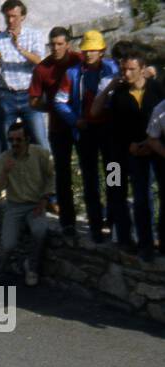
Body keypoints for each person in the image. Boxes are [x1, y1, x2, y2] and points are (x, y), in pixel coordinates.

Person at [93, 53, 163, 259]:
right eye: (123, 69)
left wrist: (148, 144)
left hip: (154, 148)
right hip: (119, 155)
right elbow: (100, 115)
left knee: (149, 196)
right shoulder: (118, 94)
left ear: (143, 69)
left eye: (131, 69)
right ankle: (131, 239)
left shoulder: (157, 89)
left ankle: (153, 241)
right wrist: (110, 87)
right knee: (120, 193)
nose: (126, 73)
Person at [54, 30, 119, 243]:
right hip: (86, 131)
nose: (89, 53)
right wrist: (75, 120)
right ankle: (95, 224)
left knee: (113, 173)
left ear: (101, 51)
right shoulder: (73, 73)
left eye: (93, 49)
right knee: (90, 178)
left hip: (109, 130)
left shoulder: (112, 69)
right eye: (86, 49)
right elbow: (59, 101)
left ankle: (114, 217)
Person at [0, 122, 53, 287]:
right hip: (14, 205)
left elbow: (52, 177)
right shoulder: (4, 158)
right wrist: (5, 172)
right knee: (8, 243)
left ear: (27, 140)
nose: (15, 143)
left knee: (39, 231)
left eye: (18, 140)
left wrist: (44, 200)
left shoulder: (40, 154)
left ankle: (32, 267)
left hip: (35, 203)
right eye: (11, 140)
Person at [31, 27, 82, 238]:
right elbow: (33, 101)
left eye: (60, 44)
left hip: (85, 126)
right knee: (63, 173)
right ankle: (67, 220)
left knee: (106, 167)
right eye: (52, 44)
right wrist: (52, 108)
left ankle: (109, 215)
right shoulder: (43, 68)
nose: (56, 48)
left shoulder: (79, 60)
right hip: (58, 128)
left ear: (68, 44)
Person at [0, 0, 46, 150]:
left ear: (23, 17)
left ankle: (47, 171)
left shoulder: (34, 35)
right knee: (8, 144)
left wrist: (19, 47)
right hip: (7, 95)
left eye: (14, 16)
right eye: (7, 16)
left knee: (39, 140)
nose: (10, 20)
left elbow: (39, 62)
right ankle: (13, 173)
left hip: (29, 95)